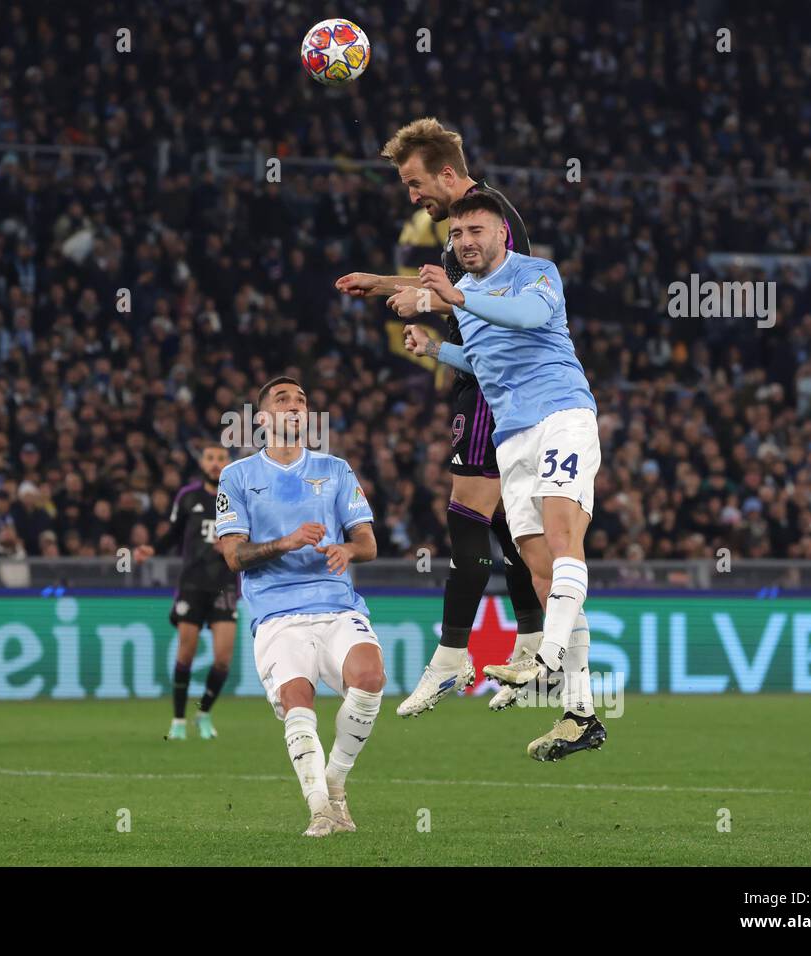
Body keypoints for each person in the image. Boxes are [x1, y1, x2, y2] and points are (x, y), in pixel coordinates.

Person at [335, 117, 546, 715]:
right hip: (481, 379)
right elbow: (459, 285)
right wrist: (384, 285)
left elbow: (498, 301)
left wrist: (428, 302)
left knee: (465, 515)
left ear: (447, 174)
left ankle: (453, 656)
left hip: (488, 382)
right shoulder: (471, 227)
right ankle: (532, 645)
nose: (412, 197)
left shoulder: (489, 222)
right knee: (506, 518)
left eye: (414, 183)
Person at [409, 189, 605, 761]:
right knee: (540, 564)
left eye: (476, 231)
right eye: (456, 235)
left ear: (502, 235)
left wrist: (456, 301)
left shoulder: (535, 275)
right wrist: (437, 348)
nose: (465, 241)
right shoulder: (465, 293)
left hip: (561, 416)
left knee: (564, 539)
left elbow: (528, 317)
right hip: (511, 438)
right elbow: (487, 361)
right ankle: (581, 714)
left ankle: (545, 657)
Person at [216, 377, 383, 836]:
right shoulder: (238, 477)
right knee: (297, 700)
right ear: (262, 419)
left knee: (370, 680)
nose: (294, 406)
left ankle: (334, 783)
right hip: (277, 614)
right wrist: (286, 543)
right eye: (282, 400)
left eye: (301, 401)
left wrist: (349, 551)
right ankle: (319, 809)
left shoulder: (335, 469)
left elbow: (367, 540)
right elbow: (233, 555)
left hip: (336, 604)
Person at [134, 442, 237, 741]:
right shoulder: (188, 496)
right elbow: (173, 533)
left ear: (228, 462)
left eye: (220, 458)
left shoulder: (238, 499)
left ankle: (203, 713)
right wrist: (152, 548)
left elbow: (251, 538)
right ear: (202, 463)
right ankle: (178, 720)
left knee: (222, 659)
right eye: (210, 458)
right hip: (192, 583)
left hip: (225, 583)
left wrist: (232, 546)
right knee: (186, 653)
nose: (215, 463)